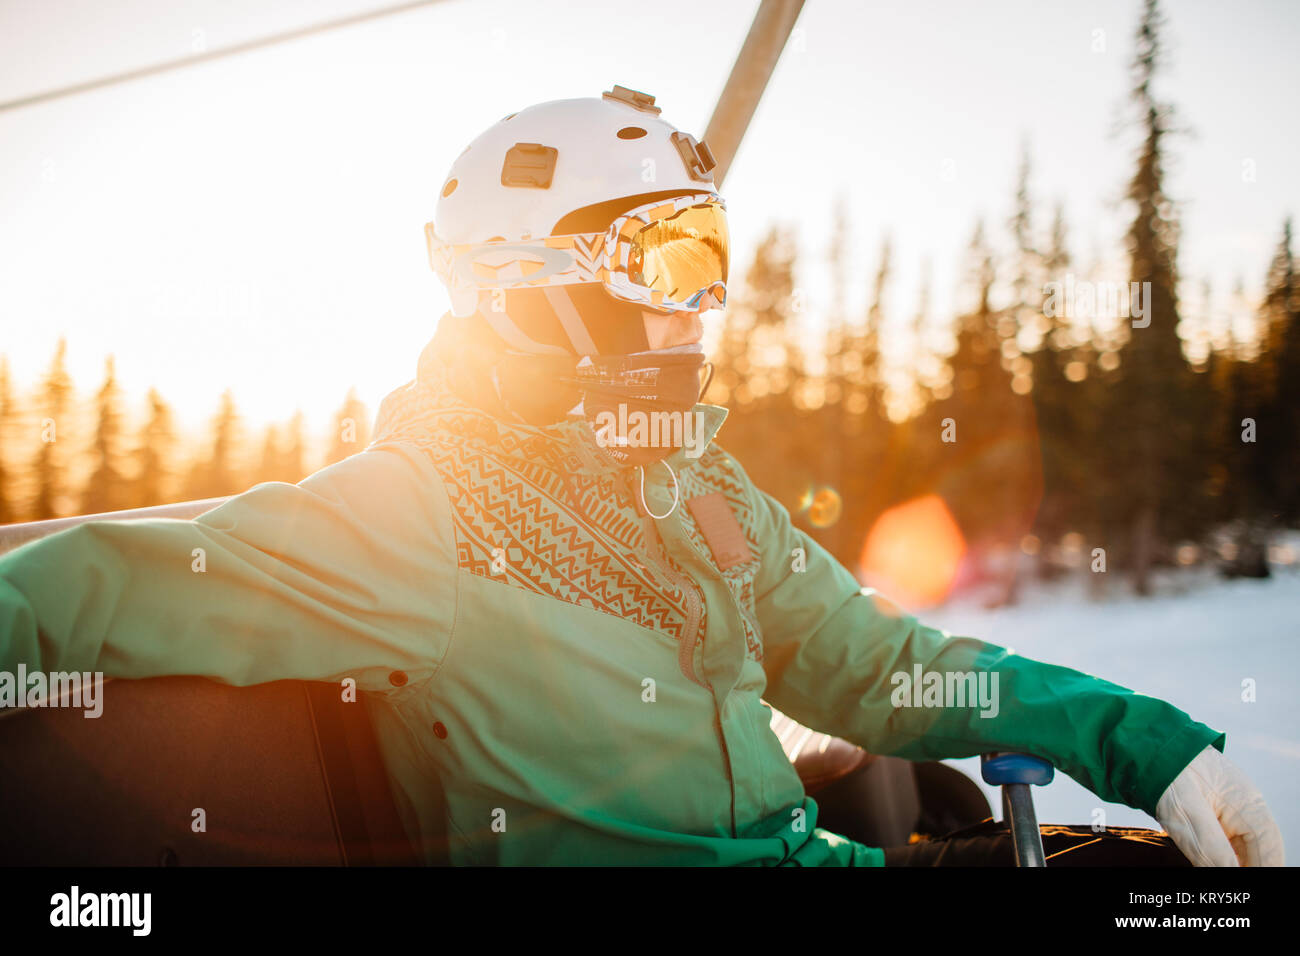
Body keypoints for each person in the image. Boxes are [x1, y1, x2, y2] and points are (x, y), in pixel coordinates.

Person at [0, 86, 1283, 867]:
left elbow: (873, 665)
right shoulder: (418, 510)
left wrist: (1138, 737)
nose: (702, 306)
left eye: (710, 257)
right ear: (531, 283)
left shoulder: (699, 492)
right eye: (665, 261)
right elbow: (90, 586)